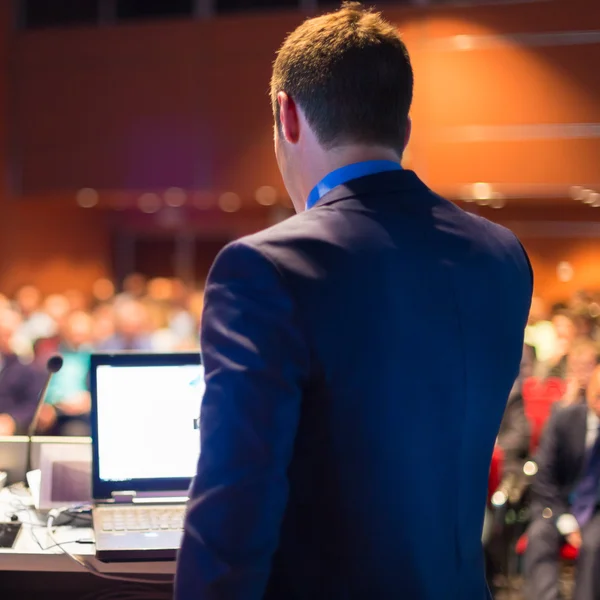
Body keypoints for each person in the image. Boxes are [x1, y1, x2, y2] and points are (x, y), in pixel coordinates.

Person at [175, 4, 533, 599]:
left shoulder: (264, 268)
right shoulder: (501, 255)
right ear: (405, 126)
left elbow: (232, 515)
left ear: (287, 115)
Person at [524, 366, 600, 600]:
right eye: (598, 396)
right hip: (556, 506)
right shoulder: (564, 420)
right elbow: (544, 476)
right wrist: (565, 519)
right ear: (589, 391)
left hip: (595, 512)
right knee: (538, 535)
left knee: (595, 545)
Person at [0, 309, 46, 435]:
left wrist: (12, 420)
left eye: (8, 334)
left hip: (8, 427)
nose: (4, 338)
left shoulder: (25, 367)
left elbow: (32, 405)